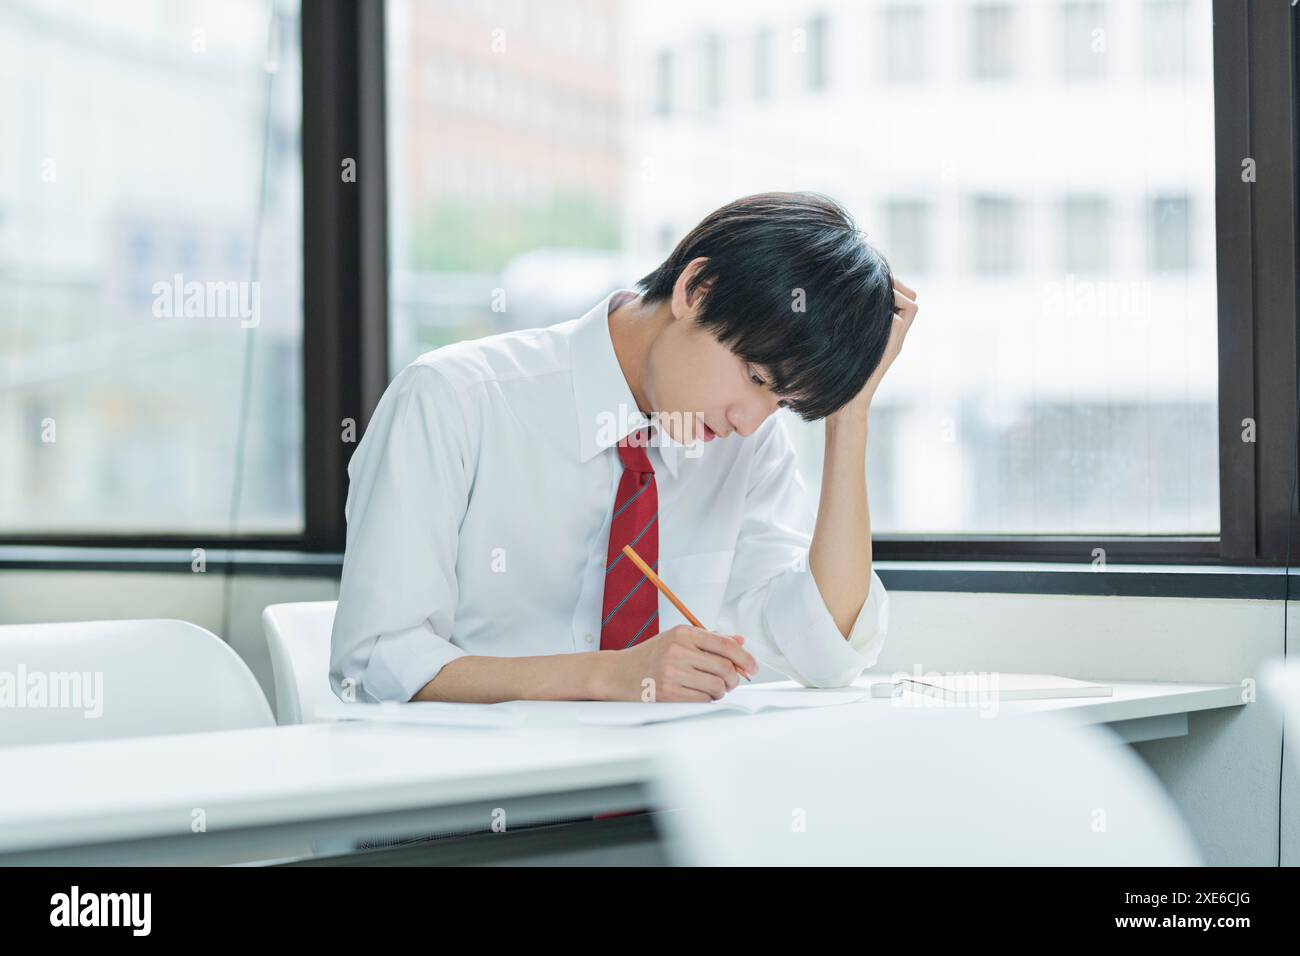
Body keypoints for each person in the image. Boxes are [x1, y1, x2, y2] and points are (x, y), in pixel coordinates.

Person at [329, 191, 918, 704]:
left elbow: (825, 652)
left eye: (784, 403)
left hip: (662, 803)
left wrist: (850, 415)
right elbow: (378, 661)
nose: (751, 420)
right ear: (697, 289)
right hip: (472, 808)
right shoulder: (453, 400)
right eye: (757, 378)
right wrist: (609, 676)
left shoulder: (746, 444)